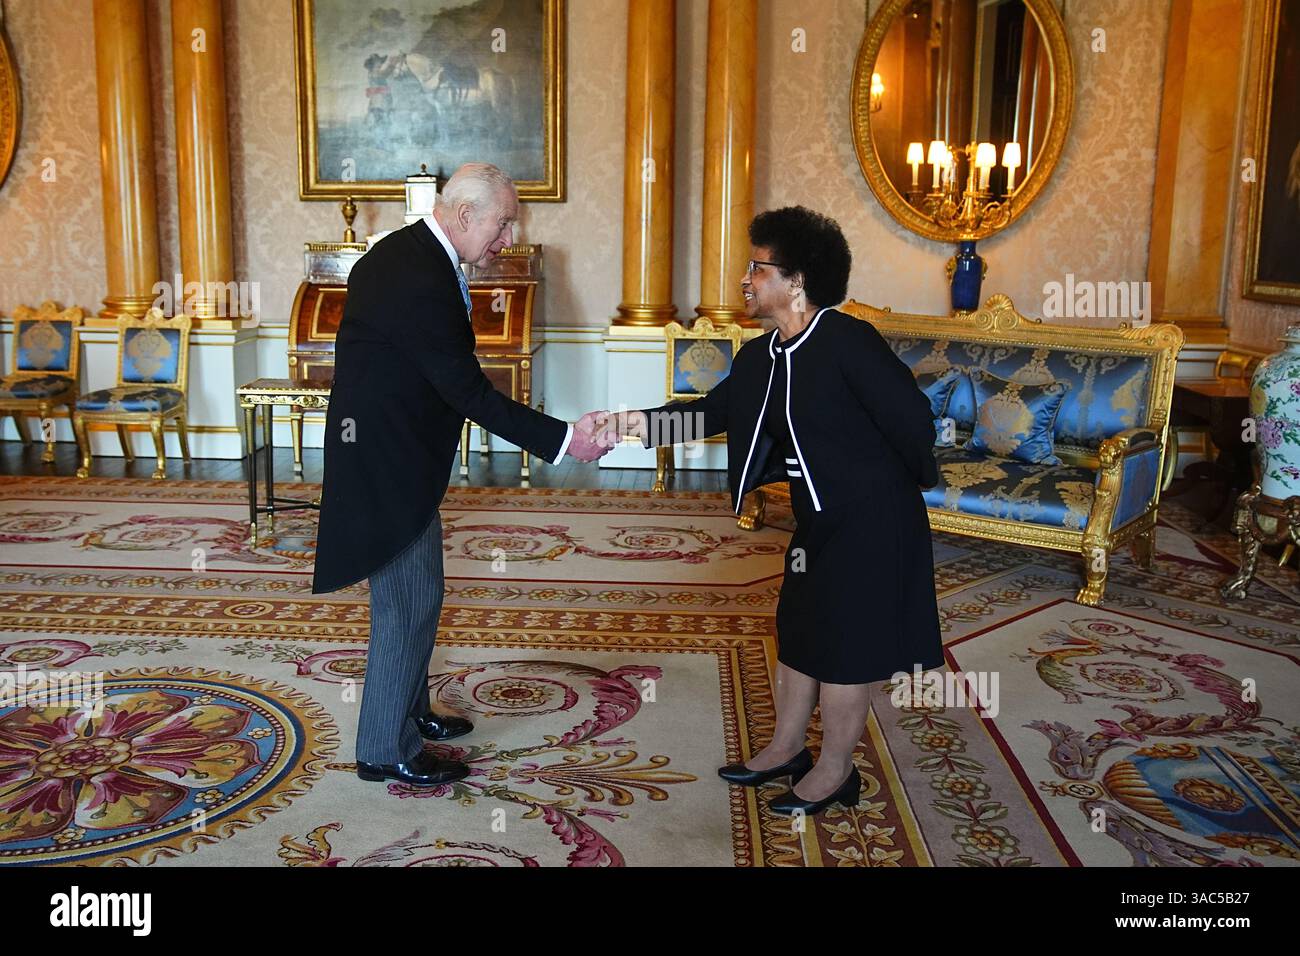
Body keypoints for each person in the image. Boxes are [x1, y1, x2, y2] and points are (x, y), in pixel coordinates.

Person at [601, 206, 943, 816]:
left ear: (798, 280)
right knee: (799, 630)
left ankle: (837, 770)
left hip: (873, 519)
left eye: (758, 268)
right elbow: (706, 413)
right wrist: (621, 426)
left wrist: (885, 484)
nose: (745, 279)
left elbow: (914, 421)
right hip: (816, 521)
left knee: (847, 646)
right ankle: (787, 747)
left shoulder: (847, 342)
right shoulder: (761, 357)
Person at [312, 163, 613, 788]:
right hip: (386, 462)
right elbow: (468, 390)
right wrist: (564, 439)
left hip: (399, 452)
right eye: (503, 224)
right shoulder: (416, 272)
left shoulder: (417, 253)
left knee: (419, 593)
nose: (507, 239)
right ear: (466, 214)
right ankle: (383, 748)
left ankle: (412, 711)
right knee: (409, 602)